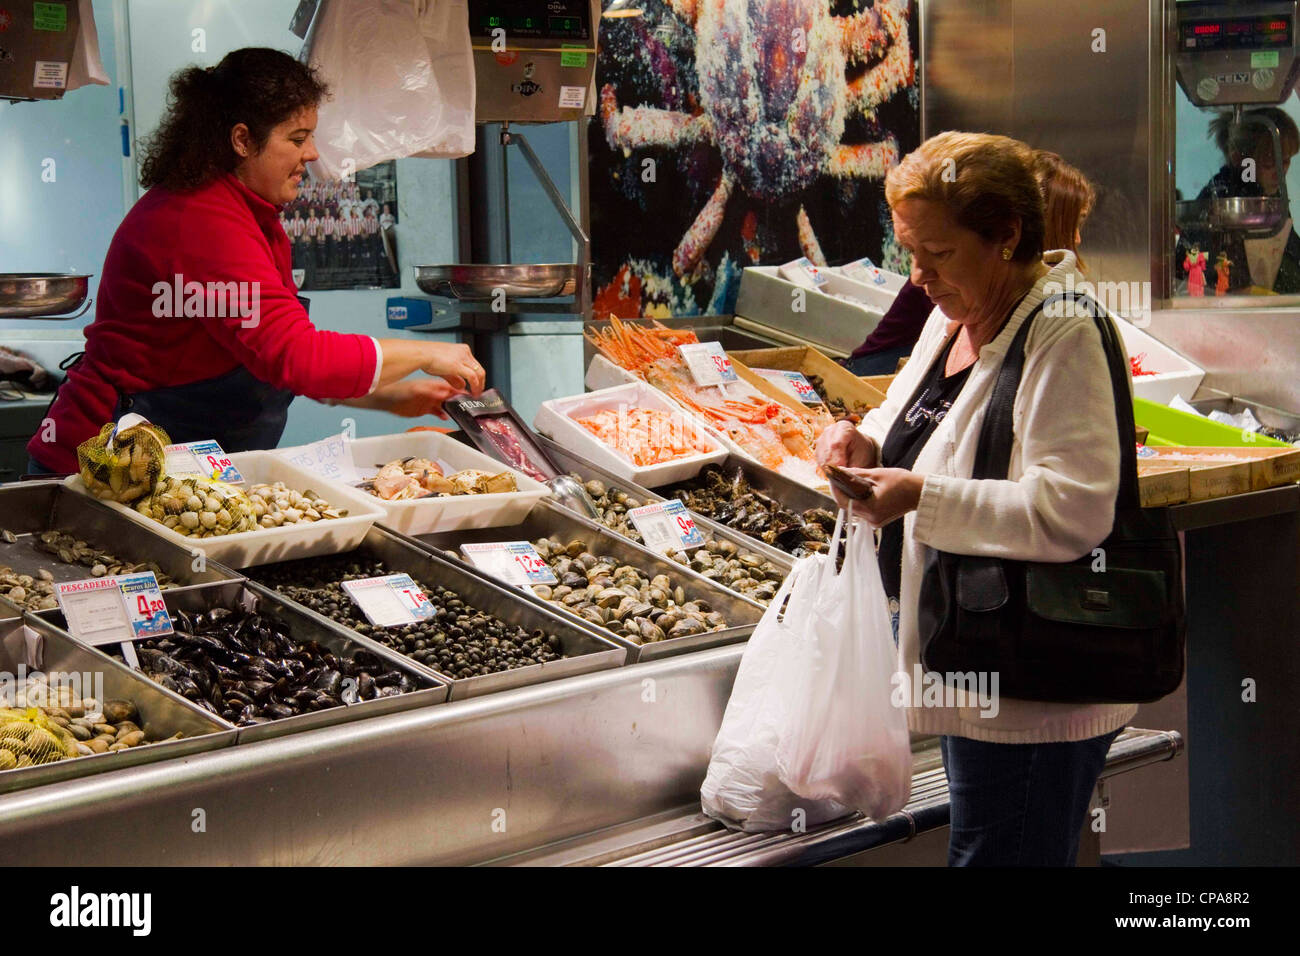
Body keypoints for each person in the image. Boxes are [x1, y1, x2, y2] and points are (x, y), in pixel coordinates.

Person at [815, 131, 1131, 867]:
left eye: (939, 254)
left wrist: (918, 496)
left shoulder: (1064, 331)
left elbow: (1073, 513)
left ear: (1007, 237)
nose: (918, 275)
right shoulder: (948, 315)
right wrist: (859, 446)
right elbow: (902, 427)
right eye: (909, 252)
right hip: (968, 663)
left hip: (1034, 687)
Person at [28, 48, 484, 476]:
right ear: (243, 140)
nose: (313, 153)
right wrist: (429, 352)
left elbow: (268, 355)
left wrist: (390, 394)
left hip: (180, 462)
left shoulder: (251, 215)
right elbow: (297, 358)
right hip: (101, 466)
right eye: (297, 138)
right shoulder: (199, 220)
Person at [842, 149, 1097, 376]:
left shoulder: (1061, 321)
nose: (919, 276)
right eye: (1074, 223)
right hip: (874, 368)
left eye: (939, 252)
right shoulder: (952, 305)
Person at [1178, 107, 1300, 294]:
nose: (1281, 171)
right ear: (1239, 160)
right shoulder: (1221, 200)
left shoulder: (1270, 198)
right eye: (1269, 161)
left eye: (1286, 161)